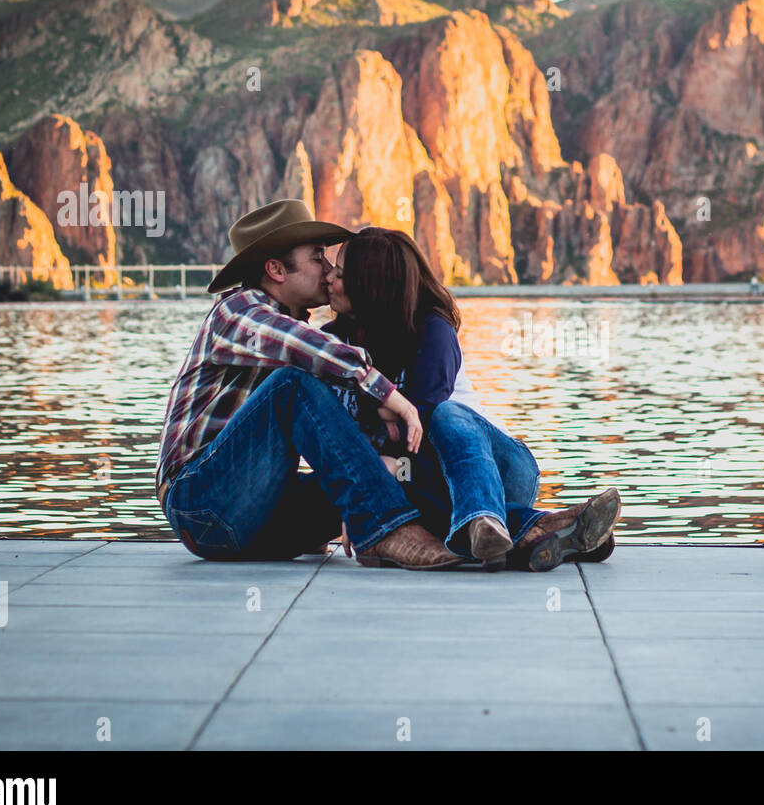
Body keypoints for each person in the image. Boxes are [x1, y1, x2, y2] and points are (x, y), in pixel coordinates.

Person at [155, 199, 460, 569]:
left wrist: (385, 464)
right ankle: (387, 530)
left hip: (258, 515)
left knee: (383, 469)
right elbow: (303, 347)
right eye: (318, 257)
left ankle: (517, 528)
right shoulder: (236, 311)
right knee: (292, 386)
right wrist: (390, 394)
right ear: (276, 270)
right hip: (200, 504)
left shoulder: (299, 331)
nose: (329, 270)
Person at [322, 226, 619, 572]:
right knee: (412, 490)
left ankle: (486, 519)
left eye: (341, 274)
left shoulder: (431, 329)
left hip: (500, 466)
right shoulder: (332, 346)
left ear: (370, 284)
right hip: (425, 479)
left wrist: (380, 463)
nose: (329, 279)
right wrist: (364, 486)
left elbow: (422, 422)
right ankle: (544, 530)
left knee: (447, 415)